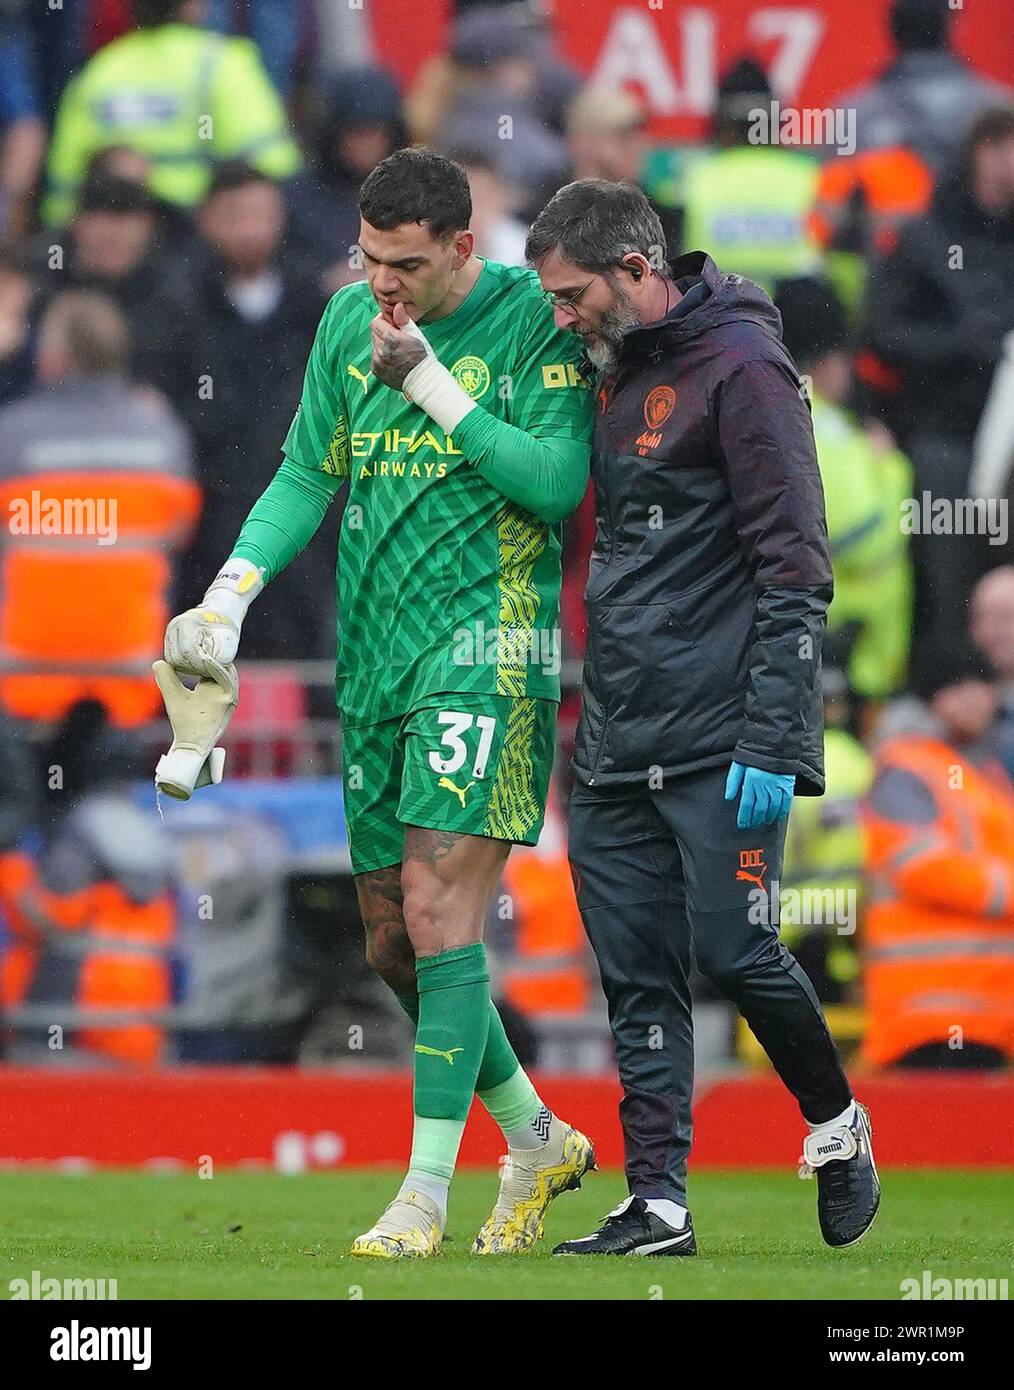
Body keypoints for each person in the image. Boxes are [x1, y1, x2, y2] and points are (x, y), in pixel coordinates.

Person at [157, 148, 595, 1258]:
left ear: (461, 247)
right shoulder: (347, 321)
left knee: (441, 906)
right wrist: (227, 597)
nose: (382, 286)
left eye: (404, 264)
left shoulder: (532, 322)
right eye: (368, 259)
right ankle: (536, 1134)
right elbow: (309, 472)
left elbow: (553, 486)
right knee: (395, 939)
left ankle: (424, 1194)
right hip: (376, 662)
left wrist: (430, 382)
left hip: (489, 651)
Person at [526, 179, 879, 1255]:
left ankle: (838, 1126)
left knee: (735, 949)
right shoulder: (614, 365)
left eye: (572, 293)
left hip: (724, 734)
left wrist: (777, 733)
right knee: (636, 969)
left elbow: (795, 566)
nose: (560, 315)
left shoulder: (744, 369)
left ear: (637, 270)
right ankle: (660, 1202)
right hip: (620, 729)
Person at [862, 106, 1014, 691]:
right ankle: (949, 676)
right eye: (996, 146)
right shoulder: (928, 237)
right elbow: (883, 334)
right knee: (946, 538)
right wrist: (964, 345)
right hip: (943, 431)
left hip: (1006, 440)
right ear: (975, 153)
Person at [0, 290, 198, 728]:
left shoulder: (11, 436)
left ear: (52, 358)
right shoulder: (162, 435)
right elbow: (181, 536)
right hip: (130, 680)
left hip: (23, 679)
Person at [181, 161, 332, 658]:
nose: (249, 230)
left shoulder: (319, 305)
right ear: (206, 220)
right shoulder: (180, 306)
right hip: (211, 523)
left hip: (312, 527)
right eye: (234, 215)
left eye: (260, 214)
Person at [861, 648, 1014, 1071]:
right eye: (957, 686)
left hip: (988, 1019)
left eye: (982, 684)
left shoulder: (984, 774)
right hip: (927, 1016)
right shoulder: (908, 768)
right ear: (928, 700)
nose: (975, 697)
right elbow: (923, 869)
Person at [774, 276, 914, 717]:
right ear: (831, 362)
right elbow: (862, 537)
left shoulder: (780, 412)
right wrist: (890, 467)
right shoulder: (826, 429)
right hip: (842, 655)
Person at [42, 0, 300, 227]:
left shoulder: (99, 71)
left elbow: (63, 187)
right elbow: (273, 164)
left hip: (120, 242)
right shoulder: (222, 61)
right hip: (202, 240)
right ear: (192, 6)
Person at [678, 57, 823, 293]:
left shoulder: (689, 178)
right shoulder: (812, 178)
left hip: (714, 317)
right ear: (778, 126)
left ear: (720, 127)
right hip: (798, 320)